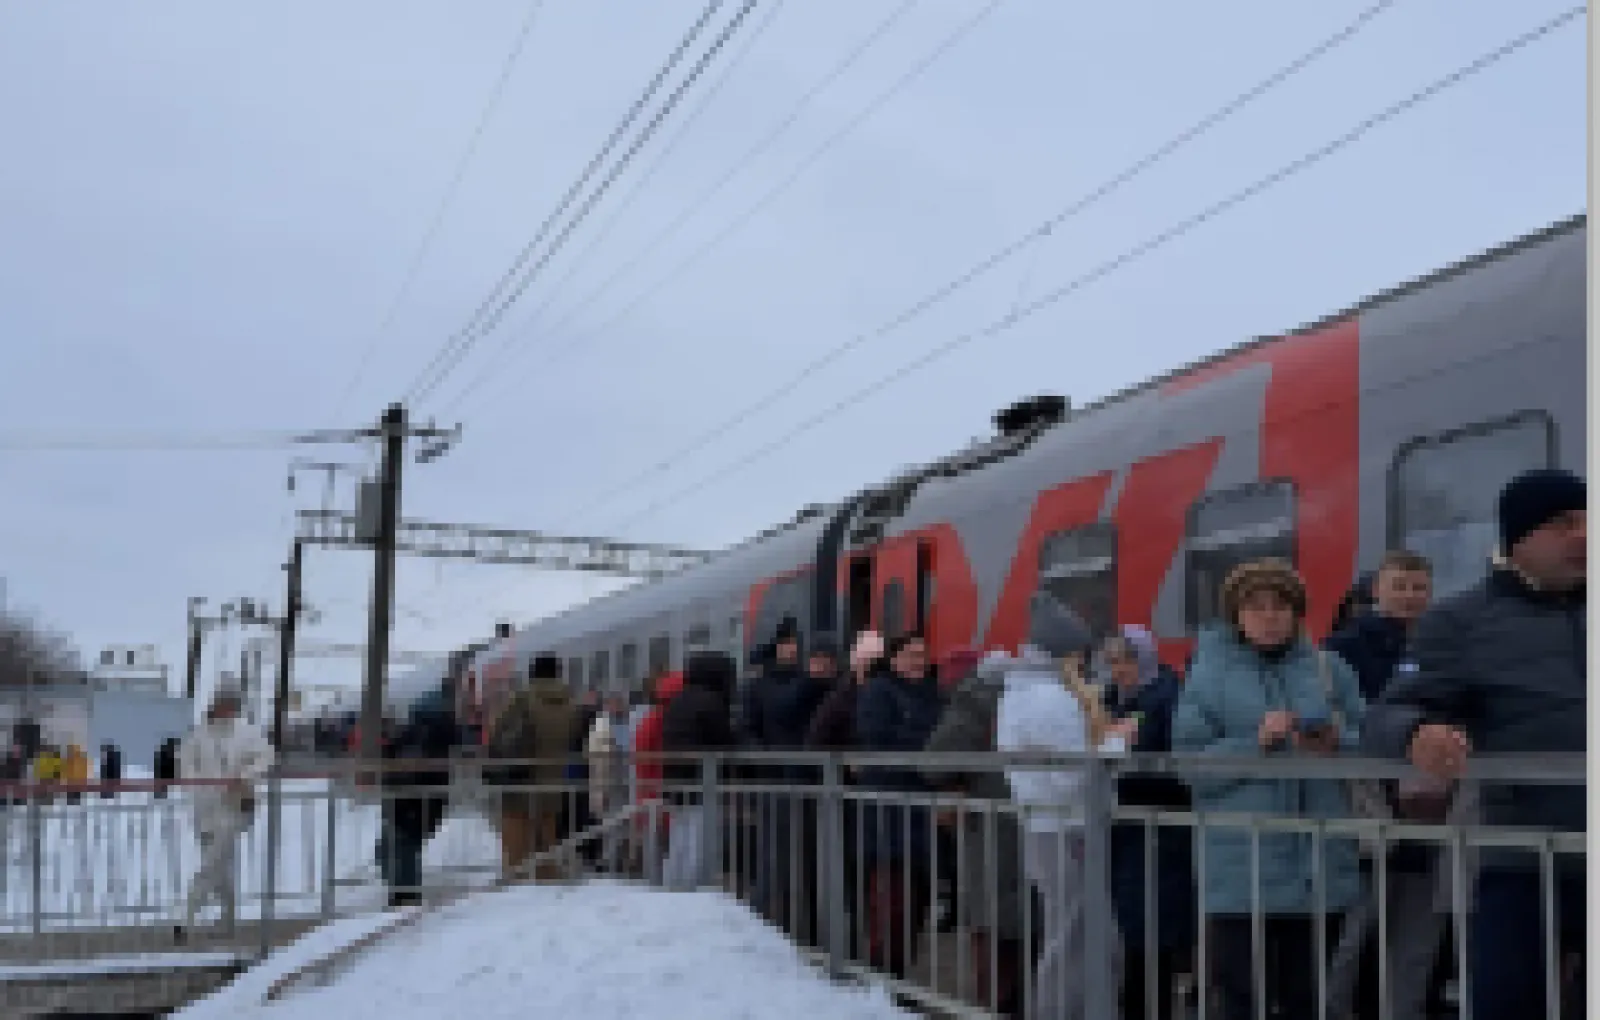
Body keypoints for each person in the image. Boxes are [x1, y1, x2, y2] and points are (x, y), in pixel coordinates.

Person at [1365, 467, 1586, 1020]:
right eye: (1563, 524)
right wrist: (1416, 734)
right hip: (1525, 862)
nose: (1582, 536)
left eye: (1588, 522)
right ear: (1519, 539)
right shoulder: (1461, 622)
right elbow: (1387, 711)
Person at [1172, 559, 1366, 1020]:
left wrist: (1337, 739)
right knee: (1242, 999)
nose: (1269, 616)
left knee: (1309, 997)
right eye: (1255, 606)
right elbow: (1189, 767)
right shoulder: (1208, 678)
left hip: (1318, 868)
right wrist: (1253, 744)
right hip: (1242, 872)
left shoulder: (1329, 670)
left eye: (1281, 605)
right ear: (1235, 615)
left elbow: (1371, 737)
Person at [1323, 550, 1445, 1020]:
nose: (1411, 597)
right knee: (1355, 929)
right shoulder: (1344, 649)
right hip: (1369, 808)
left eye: (1419, 587)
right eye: (1401, 586)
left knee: (1419, 931)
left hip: (1429, 806)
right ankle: (1335, 1009)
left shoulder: (1440, 644)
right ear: (1377, 590)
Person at [997, 593, 1129, 1020]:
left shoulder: (1024, 692)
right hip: (1065, 827)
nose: (1086, 662)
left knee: (1072, 932)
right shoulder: (1049, 699)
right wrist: (1115, 744)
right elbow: (1072, 774)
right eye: (1080, 653)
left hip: (1049, 826)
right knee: (1074, 936)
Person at [924, 648, 1028, 1017]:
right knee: (1026, 923)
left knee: (992, 923)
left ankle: (994, 1008)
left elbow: (936, 761)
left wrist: (956, 782)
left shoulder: (972, 702)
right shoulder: (1037, 696)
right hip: (1033, 820)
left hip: (990, 826)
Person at [1099, 625, 1194, 1020]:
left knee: (1152, 926)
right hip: (1129, 829)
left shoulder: (1166, 698)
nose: (1119, 670)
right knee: (1135, 924)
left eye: (1126, 661)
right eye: (1113, 663)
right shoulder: (1114, 699)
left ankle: (1149, 1008)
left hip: (1159, 828)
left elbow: (1174, 767)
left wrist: (1122, 768)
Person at [855, 631, 944, 980]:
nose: (918, 661)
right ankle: (882, 978)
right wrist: (928, 747)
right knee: (890, 903)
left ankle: (899, 978)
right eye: (911, 654)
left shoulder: (931, 694)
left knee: (916, 903)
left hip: (920, 810)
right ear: (893, 659)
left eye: (922, 654)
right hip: (887, 809)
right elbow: (877, 738)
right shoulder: (878, 691)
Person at [175, 686, 273, 941]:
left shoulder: (246, 733)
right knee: (220, 865)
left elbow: (266, 757)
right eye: (224, 704)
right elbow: (185, 765)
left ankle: (187, 915)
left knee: (212, 862)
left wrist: (244, 776)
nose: (228, 710)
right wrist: (205, 783)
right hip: (204, 808)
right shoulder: (198, 735)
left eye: (231, 706)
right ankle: (228, 918)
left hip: (233, 808)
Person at [485, 655, 575, 881]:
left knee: (517, 845)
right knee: (546, 842)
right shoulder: (569, 702)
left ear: (533, 673)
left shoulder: (524, 699)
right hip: (552, 782)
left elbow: (498, 734)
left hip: (520, 781)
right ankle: (547, 882)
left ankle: (517, 886)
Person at [375, 678, 457, 907]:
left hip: (409, 801)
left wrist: (389, 751)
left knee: (398, 849)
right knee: (402, 849)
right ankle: (405, 895)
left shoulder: (423, 736)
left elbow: (406, 766)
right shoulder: (431, 736)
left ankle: (405, 898)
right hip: (419, 802)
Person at [659, 651, 737, 890]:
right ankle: (695, 892)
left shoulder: (679, 700)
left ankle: (672, 887)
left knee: (680, 841)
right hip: (701, 783)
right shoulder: (711, 702)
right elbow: (722, 742)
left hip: (676, 782)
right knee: (700, 842)